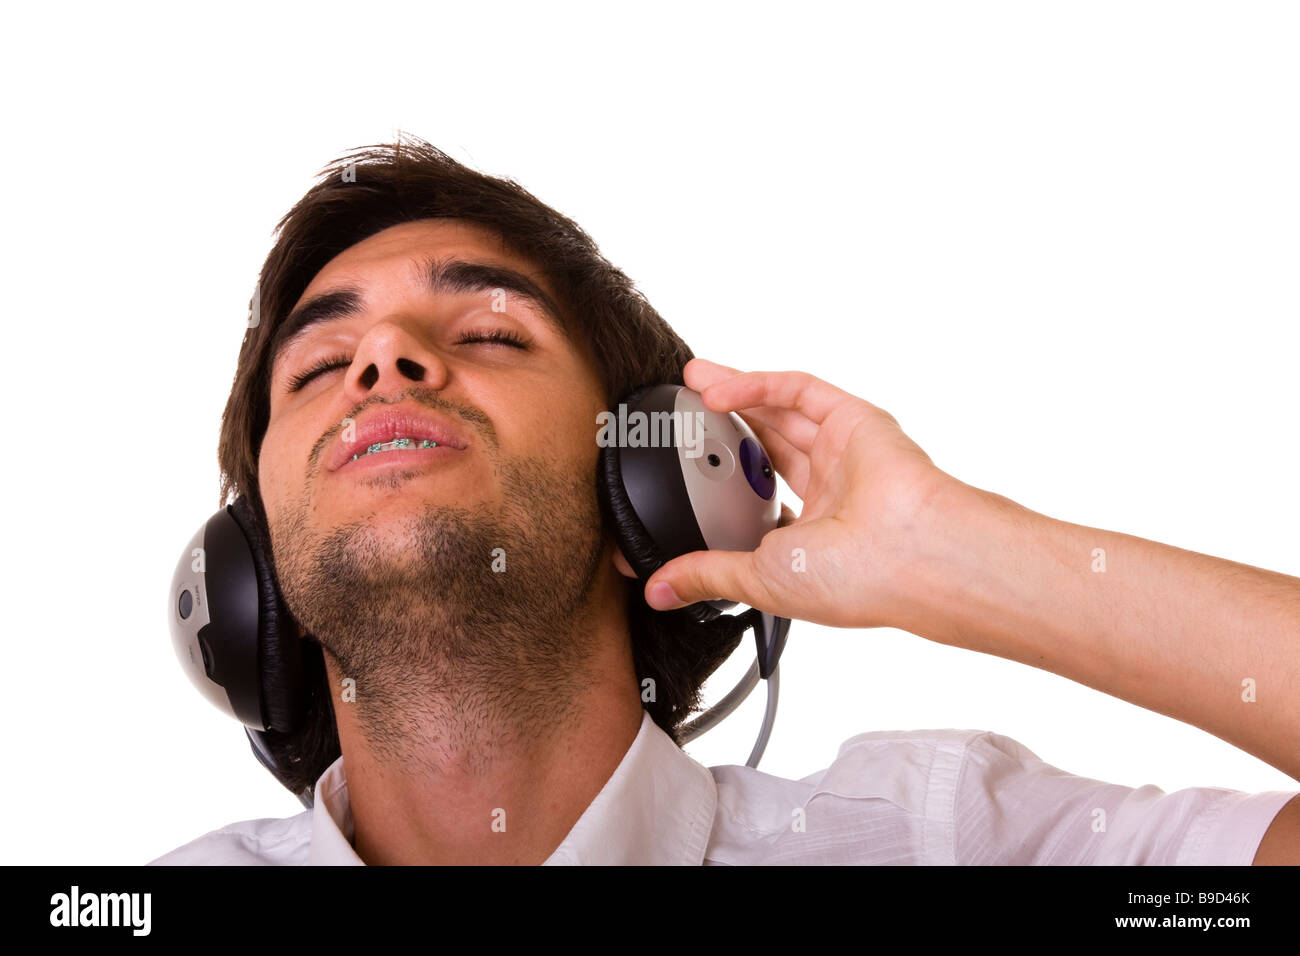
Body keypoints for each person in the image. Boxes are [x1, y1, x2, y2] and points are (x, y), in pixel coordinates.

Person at [149, 135, 1299, 866]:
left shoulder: (939, 838)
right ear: (257, 575)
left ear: (656, 486)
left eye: (488, 332)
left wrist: (947, 551)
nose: (383, 359)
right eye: (316, 365)